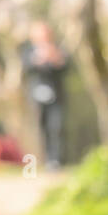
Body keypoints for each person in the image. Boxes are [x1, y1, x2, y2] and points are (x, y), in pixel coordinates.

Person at [20, 20, 69, 169]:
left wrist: (55, 59)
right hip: (36, 95)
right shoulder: (28, 51)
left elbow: (66, 68)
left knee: (56, 127)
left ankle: (56, 160)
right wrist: (38, 60)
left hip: (56, 95)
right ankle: (40, 159)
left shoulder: (58, 49)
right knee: (40, 129)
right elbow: (26, 68)